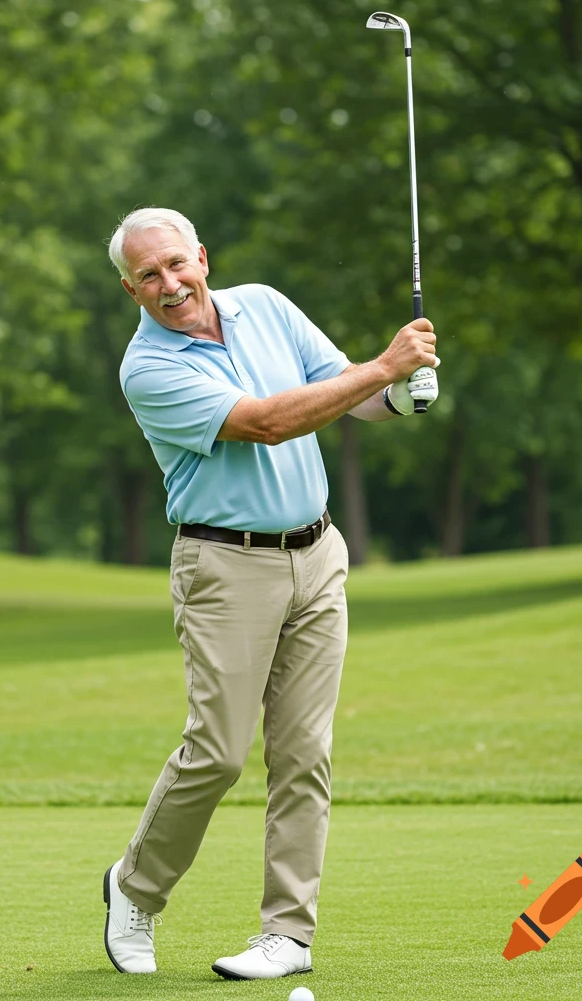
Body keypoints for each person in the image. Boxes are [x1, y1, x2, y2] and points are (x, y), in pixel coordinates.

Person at [101, 207, 439, 982]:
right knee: (217, 752)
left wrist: (401, 395)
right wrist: (385, 367)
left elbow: (342, 394)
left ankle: (286, 934)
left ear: (203, 258)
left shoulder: (268, 307)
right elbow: (268, 423)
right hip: (224, 567)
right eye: (149, 275)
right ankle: (136, 887)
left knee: (304, 754)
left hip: (317, 555)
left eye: (177, 264)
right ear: (131, 288)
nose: (169, 284)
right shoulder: (148, 368)